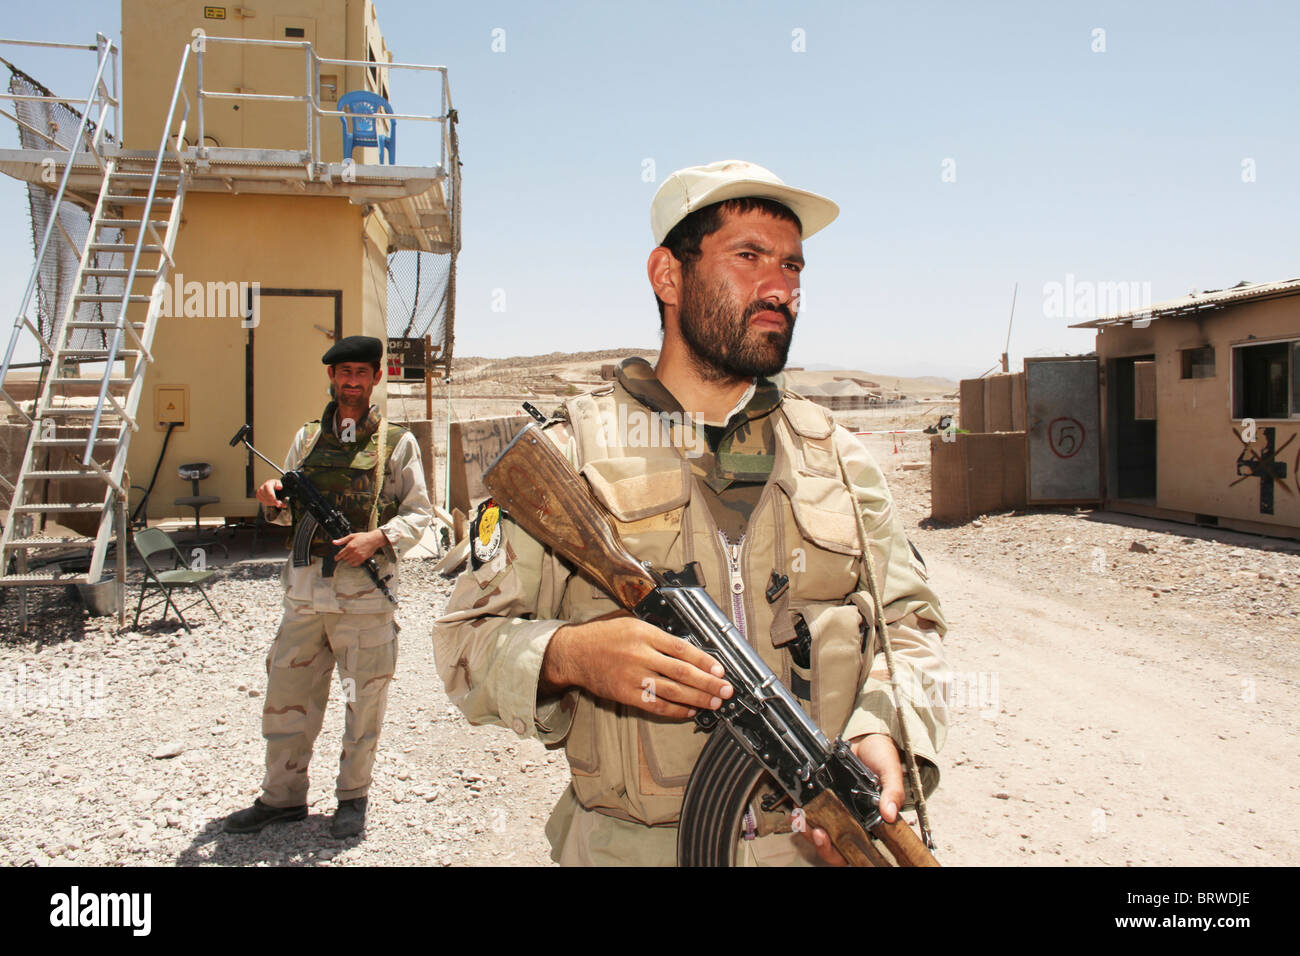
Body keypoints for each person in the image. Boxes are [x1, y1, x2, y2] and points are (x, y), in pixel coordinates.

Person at [433, 160, 950, 865]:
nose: (781, 288)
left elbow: (911, 624)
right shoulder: (571, 456)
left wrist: (883, 726)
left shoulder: (837, 455)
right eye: (749, 257)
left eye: (793, 267)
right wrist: (569, 655)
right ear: (667, 276)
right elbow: (465, 644)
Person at [225, 335, 432, 839]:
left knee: (364, 701)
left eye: (362, 373)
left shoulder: (397, 442)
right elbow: (285, 514)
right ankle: (282, 798)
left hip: (364, 595)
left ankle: (352, 798)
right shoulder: (307, 438)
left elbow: (422, 513)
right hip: (304, 595)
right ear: (332, 378)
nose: (352, 382)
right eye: (344, 374)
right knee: (287, 696)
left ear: (377, 378)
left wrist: (378, 538)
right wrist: (272, 498)